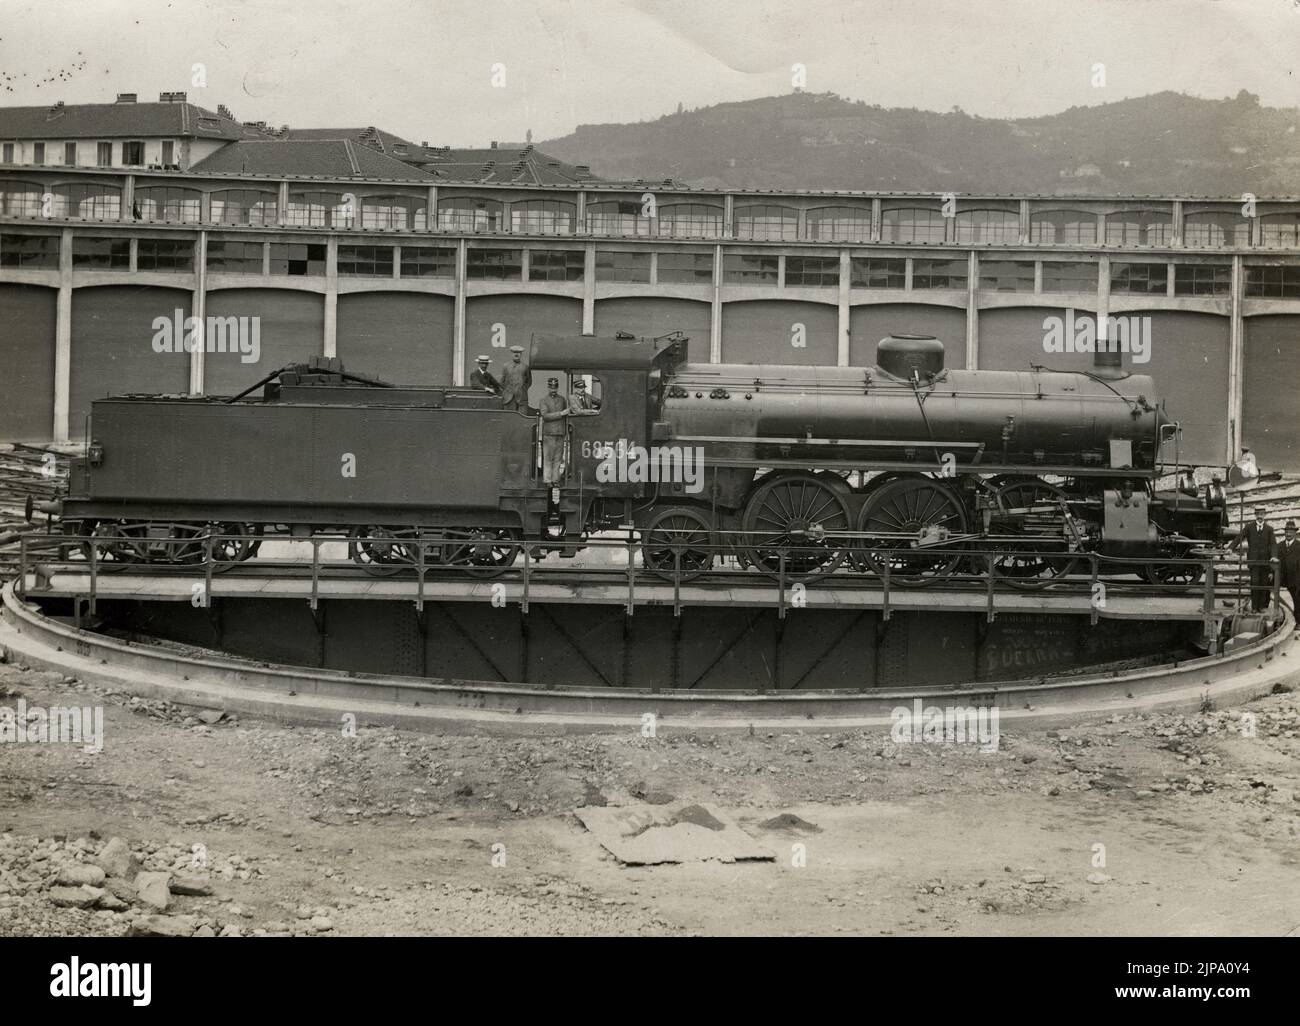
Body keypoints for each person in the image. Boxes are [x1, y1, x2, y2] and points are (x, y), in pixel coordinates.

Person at [1231, 505, 1277, 612]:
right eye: (1258, 514)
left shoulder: (1269, 529)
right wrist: (1231, 548)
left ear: (1265, 515)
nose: (1260, 516)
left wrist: (1274, 556)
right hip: (1254, 562)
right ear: (1255, 515)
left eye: (1262, 514)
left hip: (1265, 562)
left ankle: (1261, 607)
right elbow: (1239, 537)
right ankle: (1254, 607)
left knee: (1263, 584)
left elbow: (1273, 544)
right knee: (1255, 583)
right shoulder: (1249, 527)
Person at [539, 376, 570, 485]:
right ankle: (547, 480)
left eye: (555, 387)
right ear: (548, 387)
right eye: (551, 387)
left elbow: (567, 417)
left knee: (558, 458)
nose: (553, 390)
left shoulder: (562, 400)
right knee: (548, 458)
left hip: (560, 432)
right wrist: (561, 413)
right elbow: (545, 416)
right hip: (549, 433)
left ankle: (555, 479)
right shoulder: (543, 400)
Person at [498, 345, 531, 413]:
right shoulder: (506, 366)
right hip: (508, 399)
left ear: (521, 354)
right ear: (511, 354)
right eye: (514, 352)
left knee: (522, 419)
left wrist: (522, 389)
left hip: (522, 399)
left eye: (518, 352)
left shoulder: (525, 367)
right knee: (509, 419)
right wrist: (507, 391)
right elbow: (502, 381)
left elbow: (529, 381)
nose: (516, 354)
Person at [1279, 520, 1300, 619]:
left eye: (1290, 532)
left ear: (1295, 533)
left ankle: (1298, 621)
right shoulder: (1280, 545)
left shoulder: (1299, 546)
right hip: (1282, 579)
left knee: (1297, 600)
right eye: (1286, 532)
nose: (1288, 534)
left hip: (1295, 579)